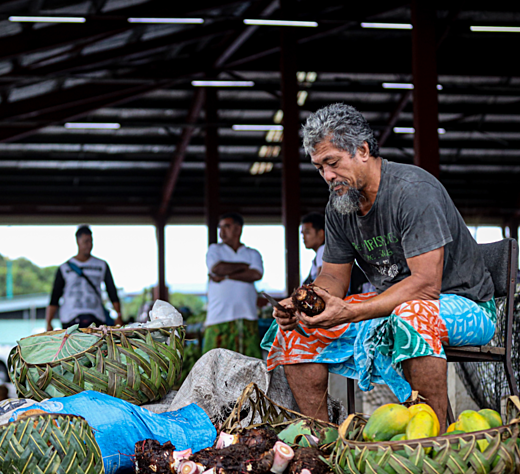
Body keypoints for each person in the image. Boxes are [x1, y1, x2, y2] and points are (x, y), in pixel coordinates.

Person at [264, 103, 496, 429]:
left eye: (332, 163)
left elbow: (426, 286)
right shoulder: (340, 205)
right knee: (294, 329)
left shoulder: (412, 191)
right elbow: (332, 275)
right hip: (395, 306)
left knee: (412, 315)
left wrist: (351, 312)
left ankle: (434, 439)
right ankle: (321, 442)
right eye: (319, 168)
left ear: (362, 150)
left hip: (465, 306)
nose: (328, 176)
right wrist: (309, 301)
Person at [204, 212, 264, 357]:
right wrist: (244, 267)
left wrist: (226, 276)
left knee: (249, 364)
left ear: (238, 229)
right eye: (220, 227)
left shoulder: (252, 253)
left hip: (247, 315)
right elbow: (216, 268)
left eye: (226, 227)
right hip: (218, 316)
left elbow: (256, 274)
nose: (221, 232)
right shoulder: (215, 250)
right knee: (213, 364)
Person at [47, 225, 122, 330]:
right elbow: (55, 297)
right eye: (86, 241)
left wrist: (118, 316)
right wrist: (49, 322)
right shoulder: (64, 268)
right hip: (70, 319)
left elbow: (112, 292)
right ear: (78, 242)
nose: (89, 245)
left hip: (96, 317)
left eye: (91, 241)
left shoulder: (102, 265)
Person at [301, 212, 369, 294]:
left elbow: (321, 287)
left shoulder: (324, 250)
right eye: (302, 233)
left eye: (307, 232)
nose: (303, 237)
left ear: (321, 233)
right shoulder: (325, 251)